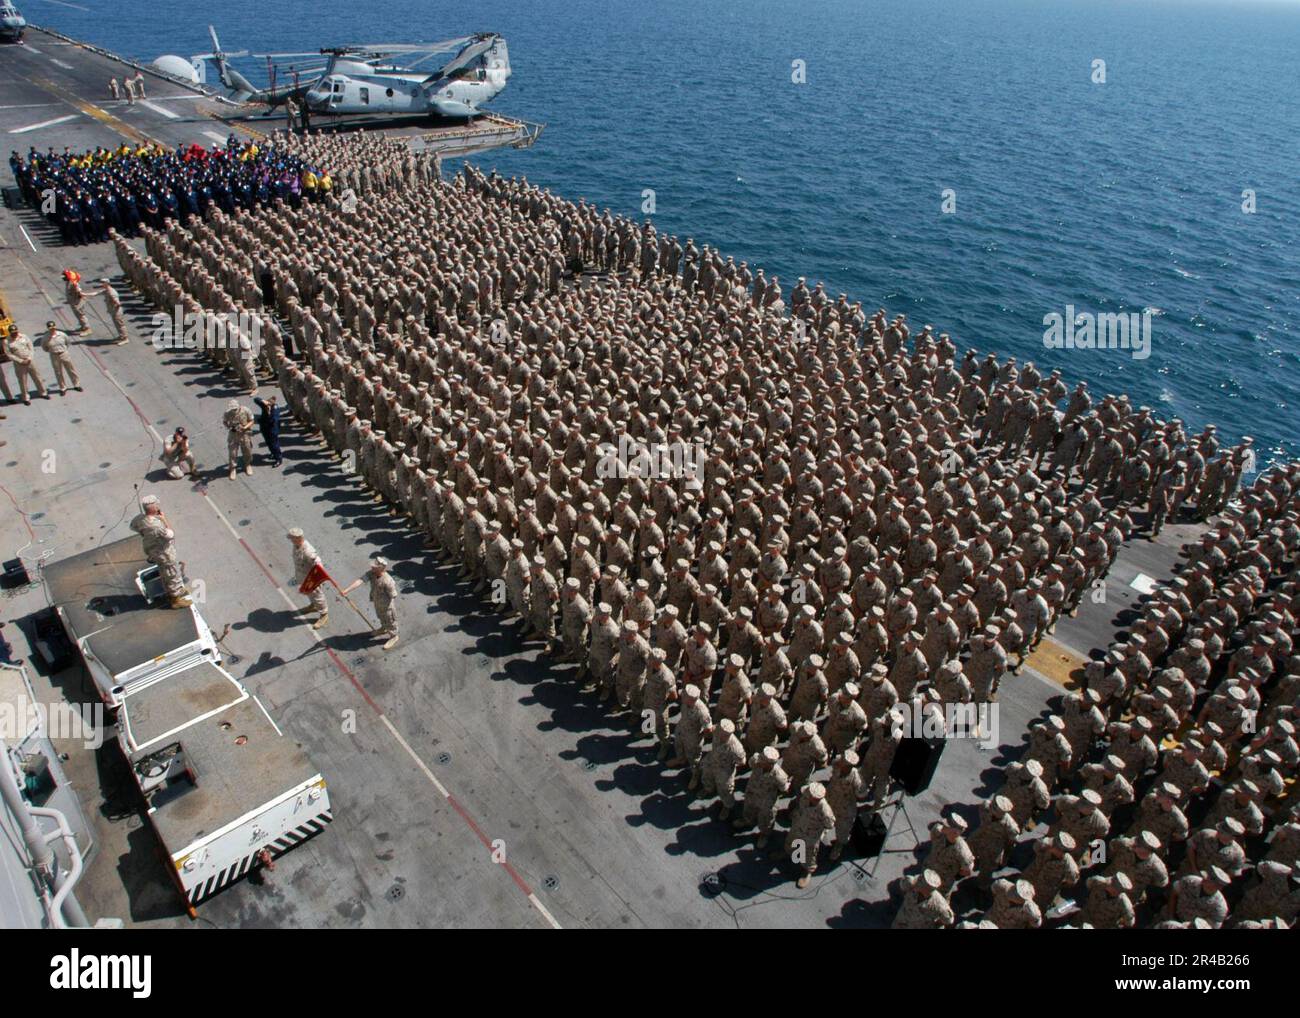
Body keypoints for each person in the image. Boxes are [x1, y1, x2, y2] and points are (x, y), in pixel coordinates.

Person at [128, 494, 192, 608]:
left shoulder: (140, 519)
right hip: (164, 553)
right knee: (171, 574)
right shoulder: (156, 525)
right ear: (153, 508)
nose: (158, 507)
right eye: (156, 505)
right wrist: (163, 519)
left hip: (152, 550)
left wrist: (144, 531)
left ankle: (176, 591)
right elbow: (170, 534)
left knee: (165, 572)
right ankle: (175, 599)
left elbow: (133, 527)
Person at [340, 556, 400, 650]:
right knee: (380, 616)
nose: (372, 568)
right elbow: (360, 580)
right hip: (377, 602)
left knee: (390, 621)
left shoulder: (388, 581)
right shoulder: (372, 573)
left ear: (380, 568)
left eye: (374, 567)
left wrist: (384, 599)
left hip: (387, 606)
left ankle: (394, 636)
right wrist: (346, 590)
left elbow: (393, 595)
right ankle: (383, 628)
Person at [287, 527, 329, 629]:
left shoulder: (308, 551)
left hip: (311, 578)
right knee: (309, 593)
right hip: (302, 575)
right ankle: (313, 606)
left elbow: (317, 562)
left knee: (317, 596)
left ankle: (324, 614)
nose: (290, 540)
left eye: (291, 538)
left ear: (298, 538)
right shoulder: (296, 545)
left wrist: (319, 574)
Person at [2, 327, 47, 404]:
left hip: (30, 361)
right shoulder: (7, 341)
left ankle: (43, 393)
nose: (15, 333)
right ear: (10, 332)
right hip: (19, 364)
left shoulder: (24, 336)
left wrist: (29, 358)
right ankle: (26, 398)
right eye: (13, 332)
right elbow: (9, 354)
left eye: (16, 331)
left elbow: (31, 347)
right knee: (22, 381)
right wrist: (21, 361)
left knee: (37, 377)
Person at [40, 321, 81, 394]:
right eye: (50, 328)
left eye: (53, 327)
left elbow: (67, 342)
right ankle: (62, 387)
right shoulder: (45, 337)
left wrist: (63, 349)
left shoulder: (62, 334)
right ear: (48, 328)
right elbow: (44, 347)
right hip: (54, 355)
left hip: (64, 353)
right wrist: (52, 351)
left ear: (55, 327)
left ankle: (76, 384)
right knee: (58, 372)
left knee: (71, 369)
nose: (52, 329)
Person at [222, 398, 255, 478]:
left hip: (244, 433)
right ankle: (233, 468)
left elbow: (252, 421)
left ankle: (247, 464)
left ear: (239, 406)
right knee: (232, 453)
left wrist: (245, 427)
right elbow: (224, 422)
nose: (234, 410)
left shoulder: (246, 410)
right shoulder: (227, 413)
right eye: (232, 409)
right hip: (233, 435)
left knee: (247, 450)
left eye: (235, 409)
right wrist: (229, 427)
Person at [253, 393, 283, 466]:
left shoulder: (275, 409)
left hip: (272, 430)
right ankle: (273, 453)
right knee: (268, 443)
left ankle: (278, 458)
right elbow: (256, 399)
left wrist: (269, 413)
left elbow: (273, 421)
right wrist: (263, 401)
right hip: (264, 428)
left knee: (274, 444)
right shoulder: (265, 405)